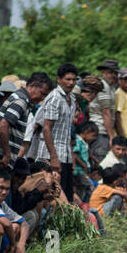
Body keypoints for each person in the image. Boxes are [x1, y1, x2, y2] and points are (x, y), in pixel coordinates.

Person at [28, 63, 78, 201]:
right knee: (54, 196)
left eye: (73, 80)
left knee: (66, 195)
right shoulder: (55, 97)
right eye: (67, 79)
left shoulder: (71, 99)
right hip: (51, 155)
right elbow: (46, 128)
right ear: (59, 79)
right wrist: (54, 157)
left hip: (65, 153)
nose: (71, 83)